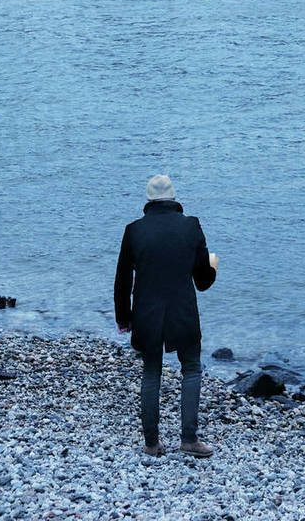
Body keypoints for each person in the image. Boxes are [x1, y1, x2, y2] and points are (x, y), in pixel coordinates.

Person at [113, 175, 219, 457]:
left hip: (146, 312)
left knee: (151, 373)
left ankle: (151, 443)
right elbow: (203, 281)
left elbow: (122, 279)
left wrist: (123, 318)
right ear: (174, 199)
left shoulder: (134, 231)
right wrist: (213, 264)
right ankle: (189, 439)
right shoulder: (191, 226)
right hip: (182, 310)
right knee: (192, 369)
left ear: (148, 200)